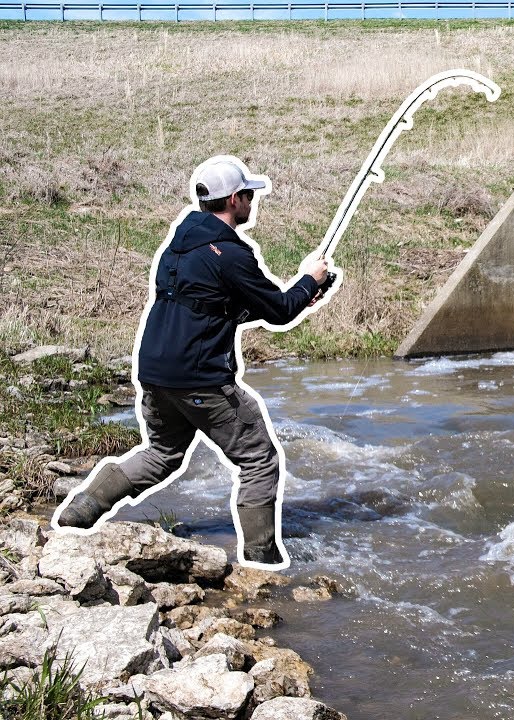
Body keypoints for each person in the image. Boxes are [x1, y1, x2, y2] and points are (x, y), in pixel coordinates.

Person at [53, 155, 335, 570]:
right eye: (249, 195)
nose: (253, 201)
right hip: (199, 378)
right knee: (259, 459)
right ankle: (261, 558)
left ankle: (82, 509)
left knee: (163, 453)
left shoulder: (180, 242)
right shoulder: (231, 254)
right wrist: (310, 280)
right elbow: (278, 311)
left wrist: (297, 295)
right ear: (235, 199)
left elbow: (213, 305)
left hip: (154, 371)